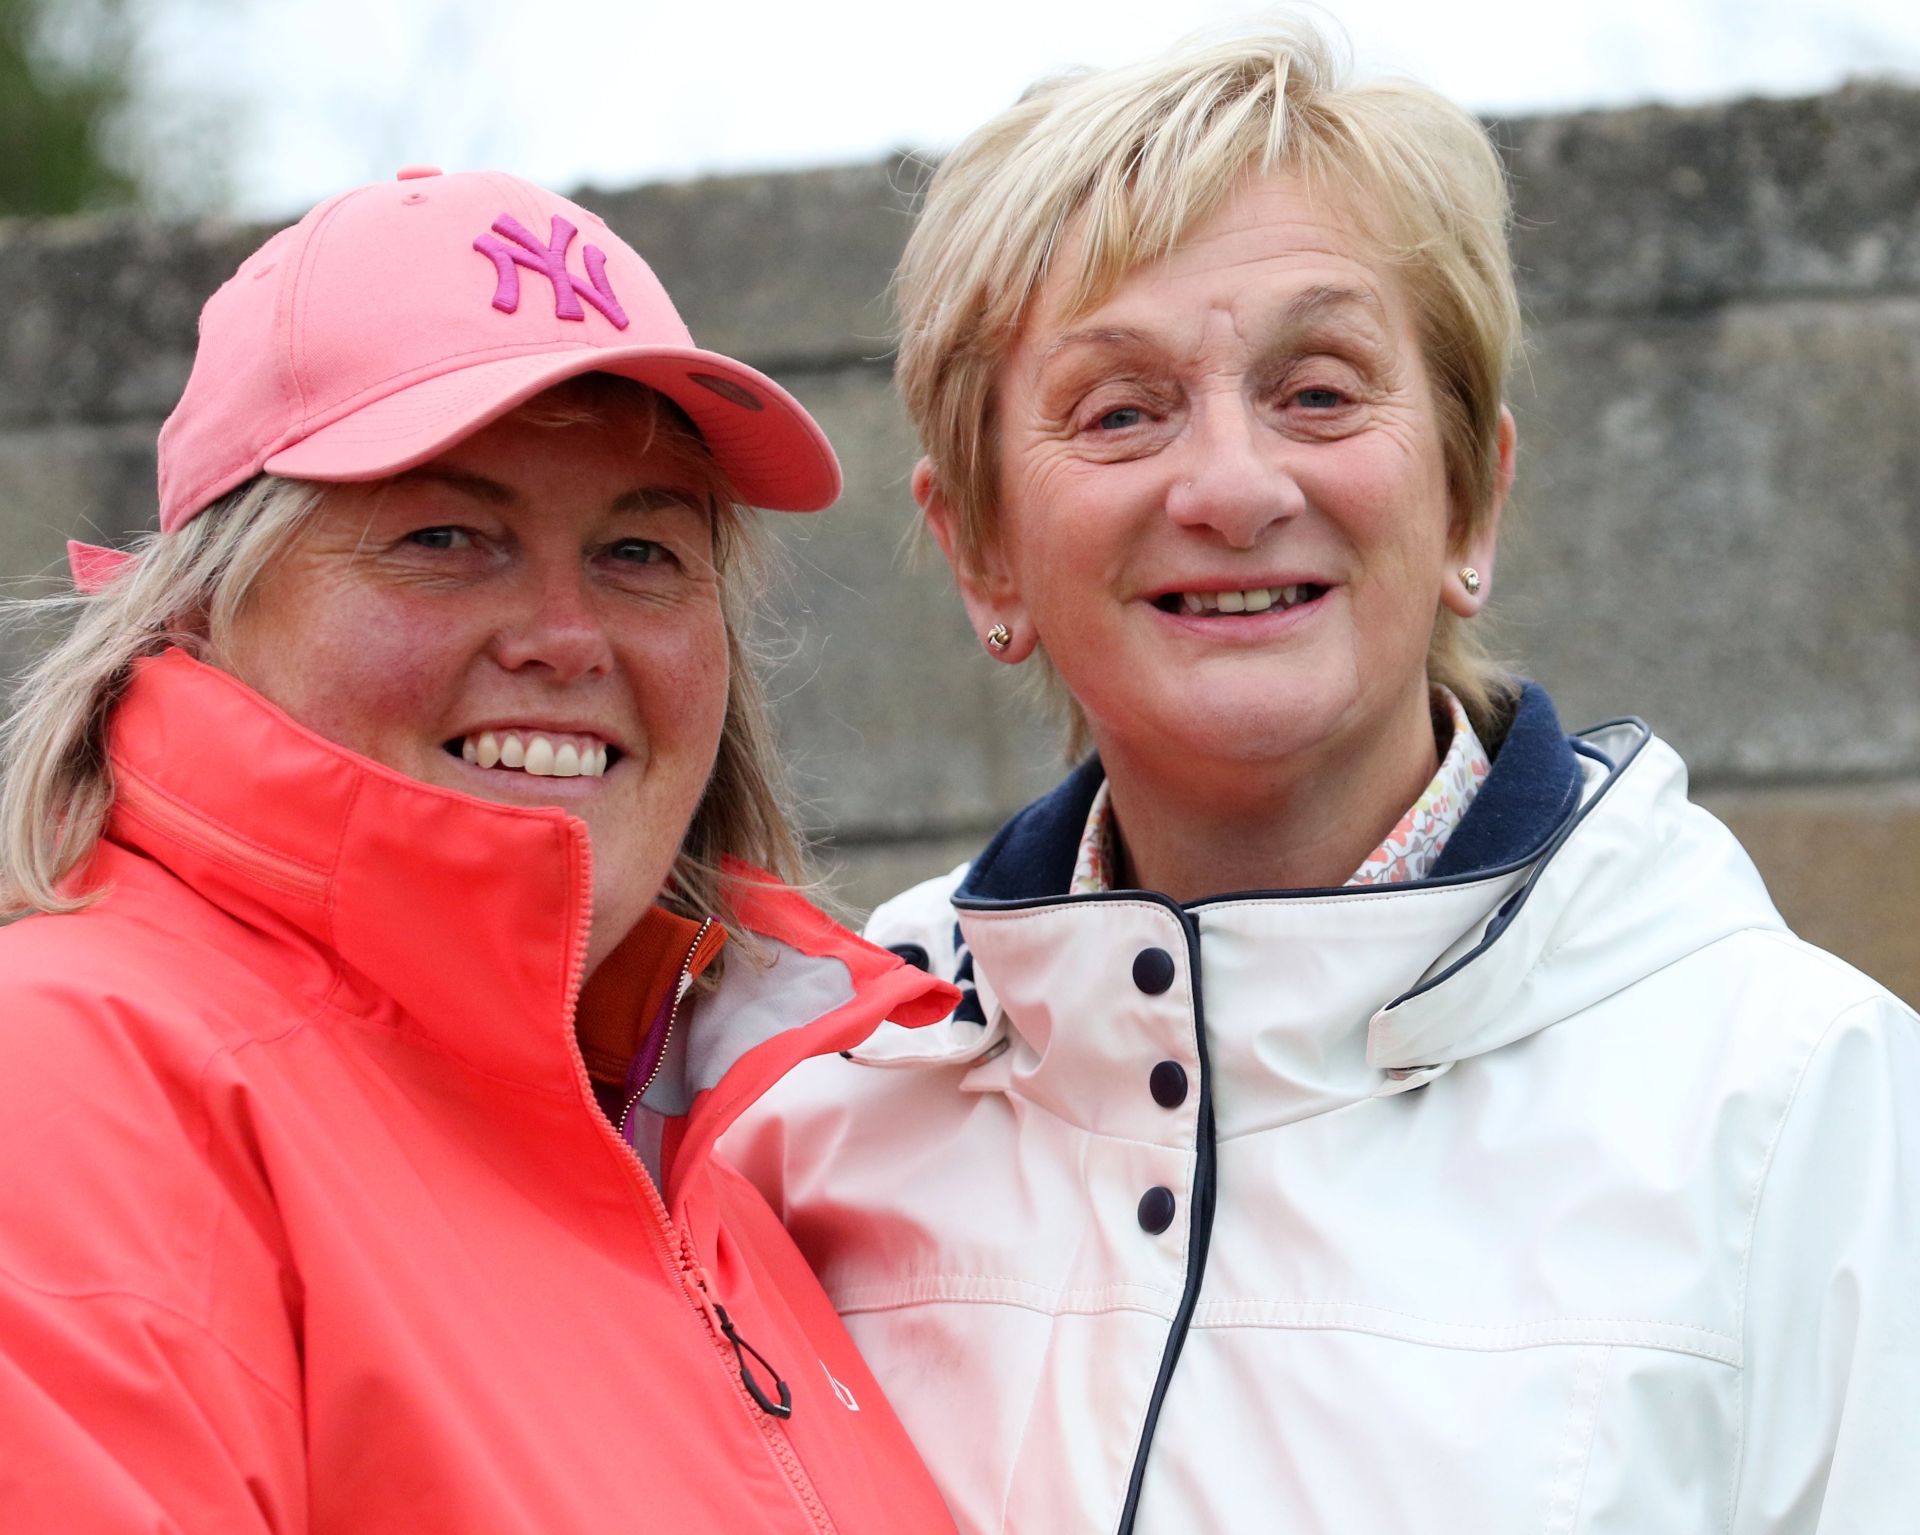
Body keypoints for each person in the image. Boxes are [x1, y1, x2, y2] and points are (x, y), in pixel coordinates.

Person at [722, 24, 1920, 1535]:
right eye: (1120, 409)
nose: (1233, 486)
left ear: (1470, 499)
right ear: (982, 550)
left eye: (1320, 390)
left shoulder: (1801, 1105)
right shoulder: (819, 1099)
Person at [0, 168, 963, 1535]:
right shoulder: (70, 1094)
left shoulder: (706, 1169)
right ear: (203, 609)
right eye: (446, 537)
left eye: (640, 551)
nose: (565, 637)